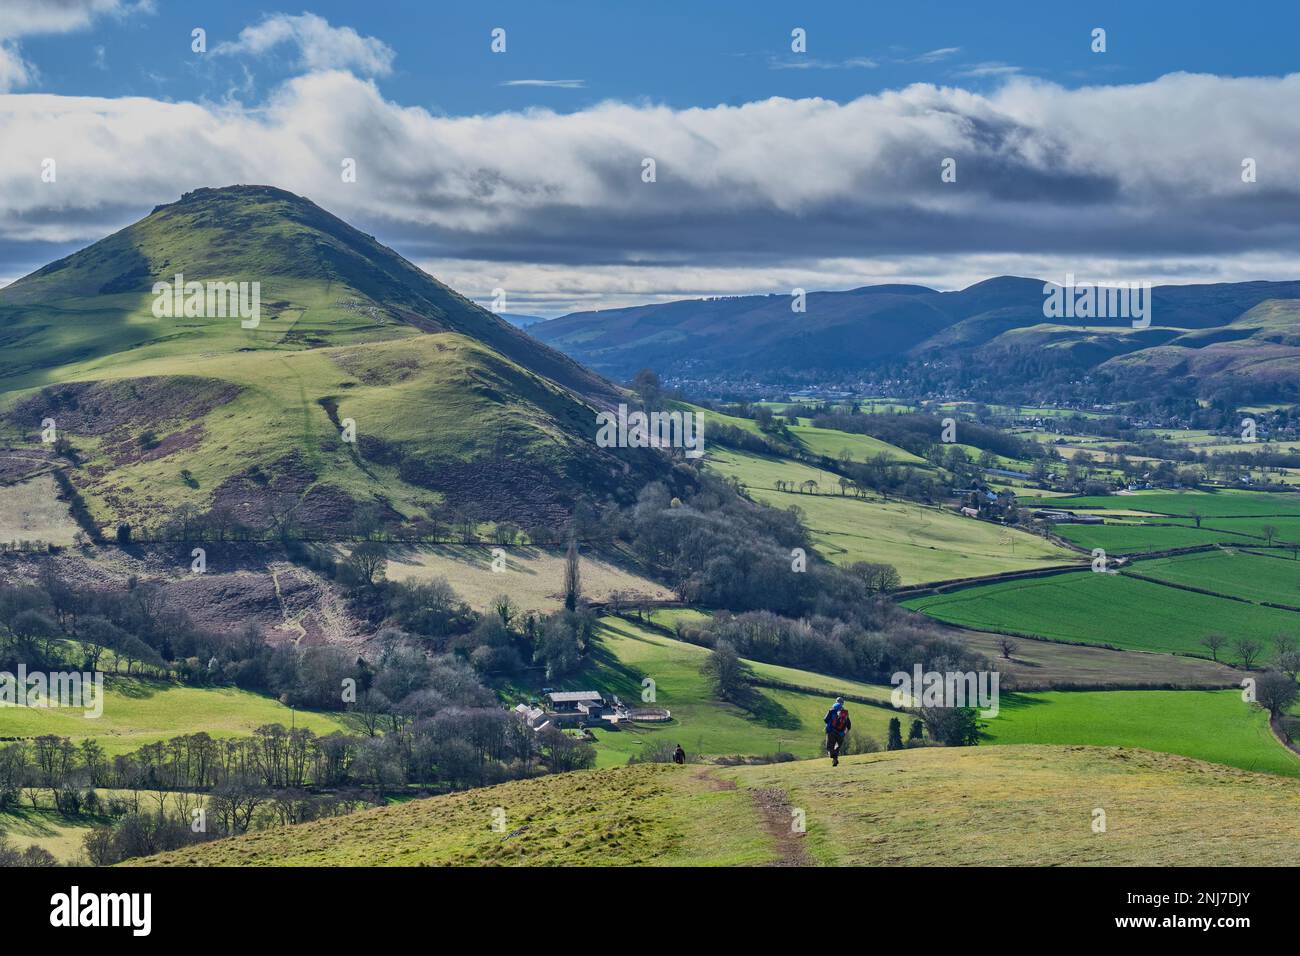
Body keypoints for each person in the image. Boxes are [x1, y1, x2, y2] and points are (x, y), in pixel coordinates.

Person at [824, 697, 851, 766]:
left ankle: (834, 758)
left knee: (830, 747)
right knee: (837, 747)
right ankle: (835, 760)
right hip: (841, 734)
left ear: (836, 702)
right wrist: (844, 732)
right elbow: (849, 725)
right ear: (842, 703)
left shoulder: (831, 710)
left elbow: (825, 719)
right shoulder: (845, 712)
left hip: (831, 732)